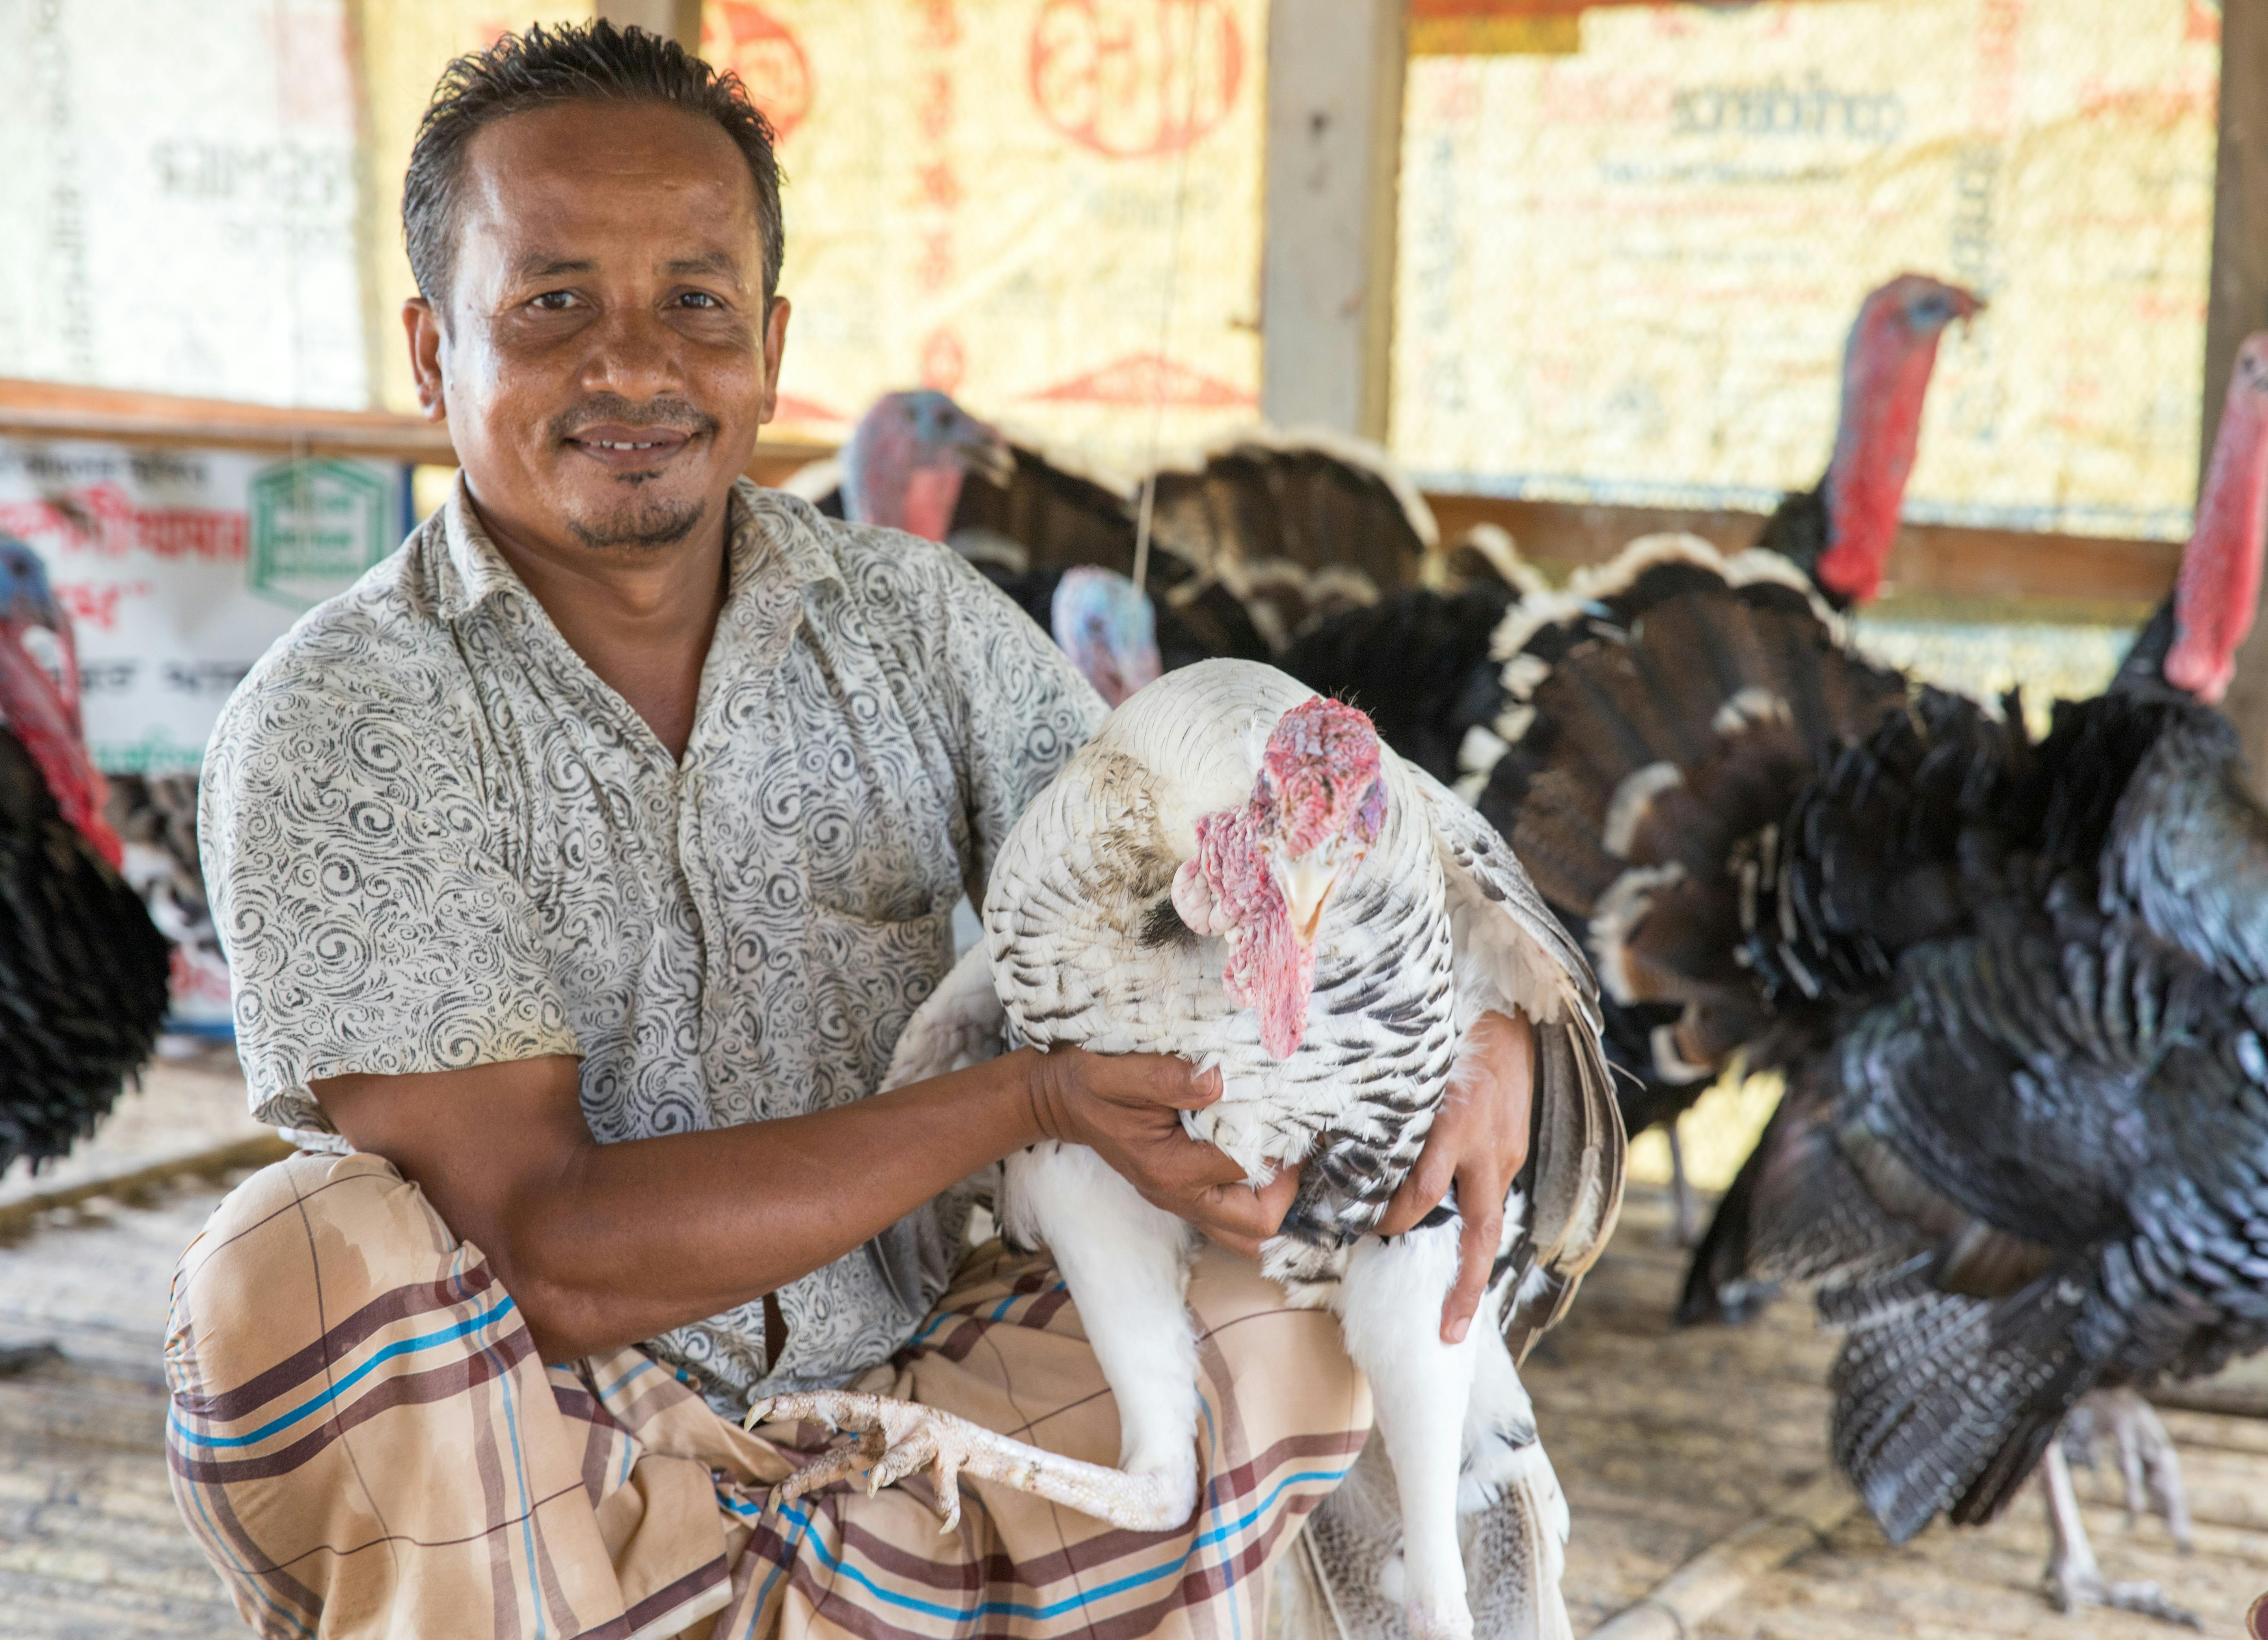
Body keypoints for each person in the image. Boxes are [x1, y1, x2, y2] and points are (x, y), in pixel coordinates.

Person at [166, 22, 1535, 1640]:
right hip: (543, 1478)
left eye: (695, 299)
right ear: (428, 346)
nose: (633, 366)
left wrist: (1489, 1015)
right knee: (303, 1258)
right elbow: (554, 1244)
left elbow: (1192, 861)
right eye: (551, 305)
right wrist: (1021, 1095)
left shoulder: (906, 618)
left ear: (769, 338)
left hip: (929, 1432)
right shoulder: (345, 716)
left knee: (1326, 1282)